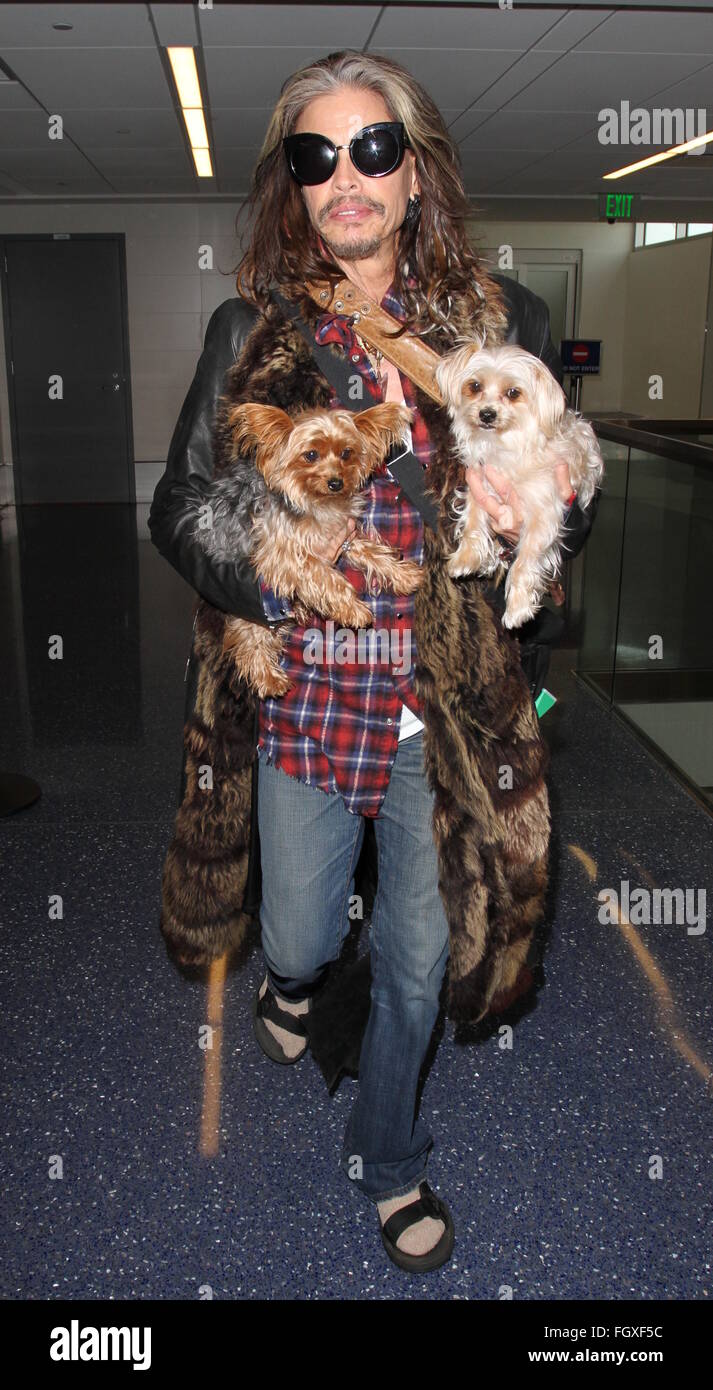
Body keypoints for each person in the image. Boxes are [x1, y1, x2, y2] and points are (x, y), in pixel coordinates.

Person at [149, 50, 599, 1274]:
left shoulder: (505, 326)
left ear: (416, 173)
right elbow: (180, 509)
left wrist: (535, 523)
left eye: (372, 149)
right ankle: (289, 986)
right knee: (294, 933)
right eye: (314, 155)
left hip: (438, 711)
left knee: (415, 955)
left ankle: (391, 1158)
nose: (344, 176)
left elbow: (562, 482)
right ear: (292, 186)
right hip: (302, 696)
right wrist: (279, 593)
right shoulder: (250, 329)